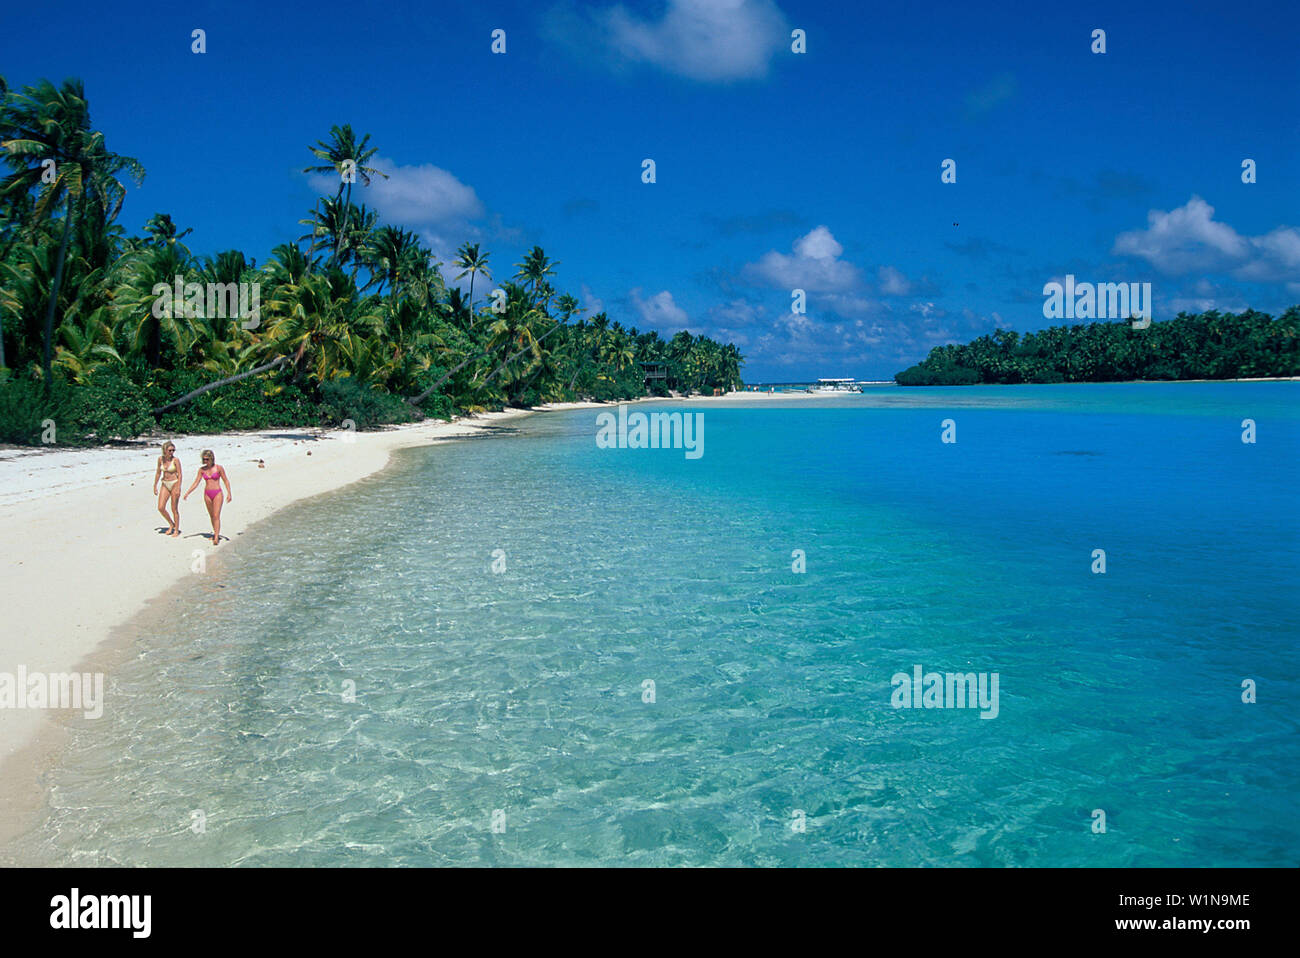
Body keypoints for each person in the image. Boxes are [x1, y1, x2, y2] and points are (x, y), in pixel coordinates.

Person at [184, 449, 232, 546]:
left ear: (211, 459)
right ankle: (215, 533)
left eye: (207, 459)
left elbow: (226, 480)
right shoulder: (202, 470)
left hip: (217, 493)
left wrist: (229, 493)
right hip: (207, 493)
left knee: (216, 515)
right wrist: (188, 492)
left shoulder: (219, 468)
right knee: (211, 515)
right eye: (204, 459)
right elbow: (196, 482)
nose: (205, 461)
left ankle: (216, 537)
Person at [153, 441, 183, 536]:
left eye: (173, 450)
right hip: (164, 483)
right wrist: (155, 485)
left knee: (174, 508)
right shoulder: (160, 459)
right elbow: (158, 472)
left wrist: (178, 487)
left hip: (174, 483)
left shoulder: (176, 460)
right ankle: (171, 524)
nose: (172, 452)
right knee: (161, 507)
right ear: (165, 450)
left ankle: (176, 530)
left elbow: (180, 474)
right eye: (170, 450)